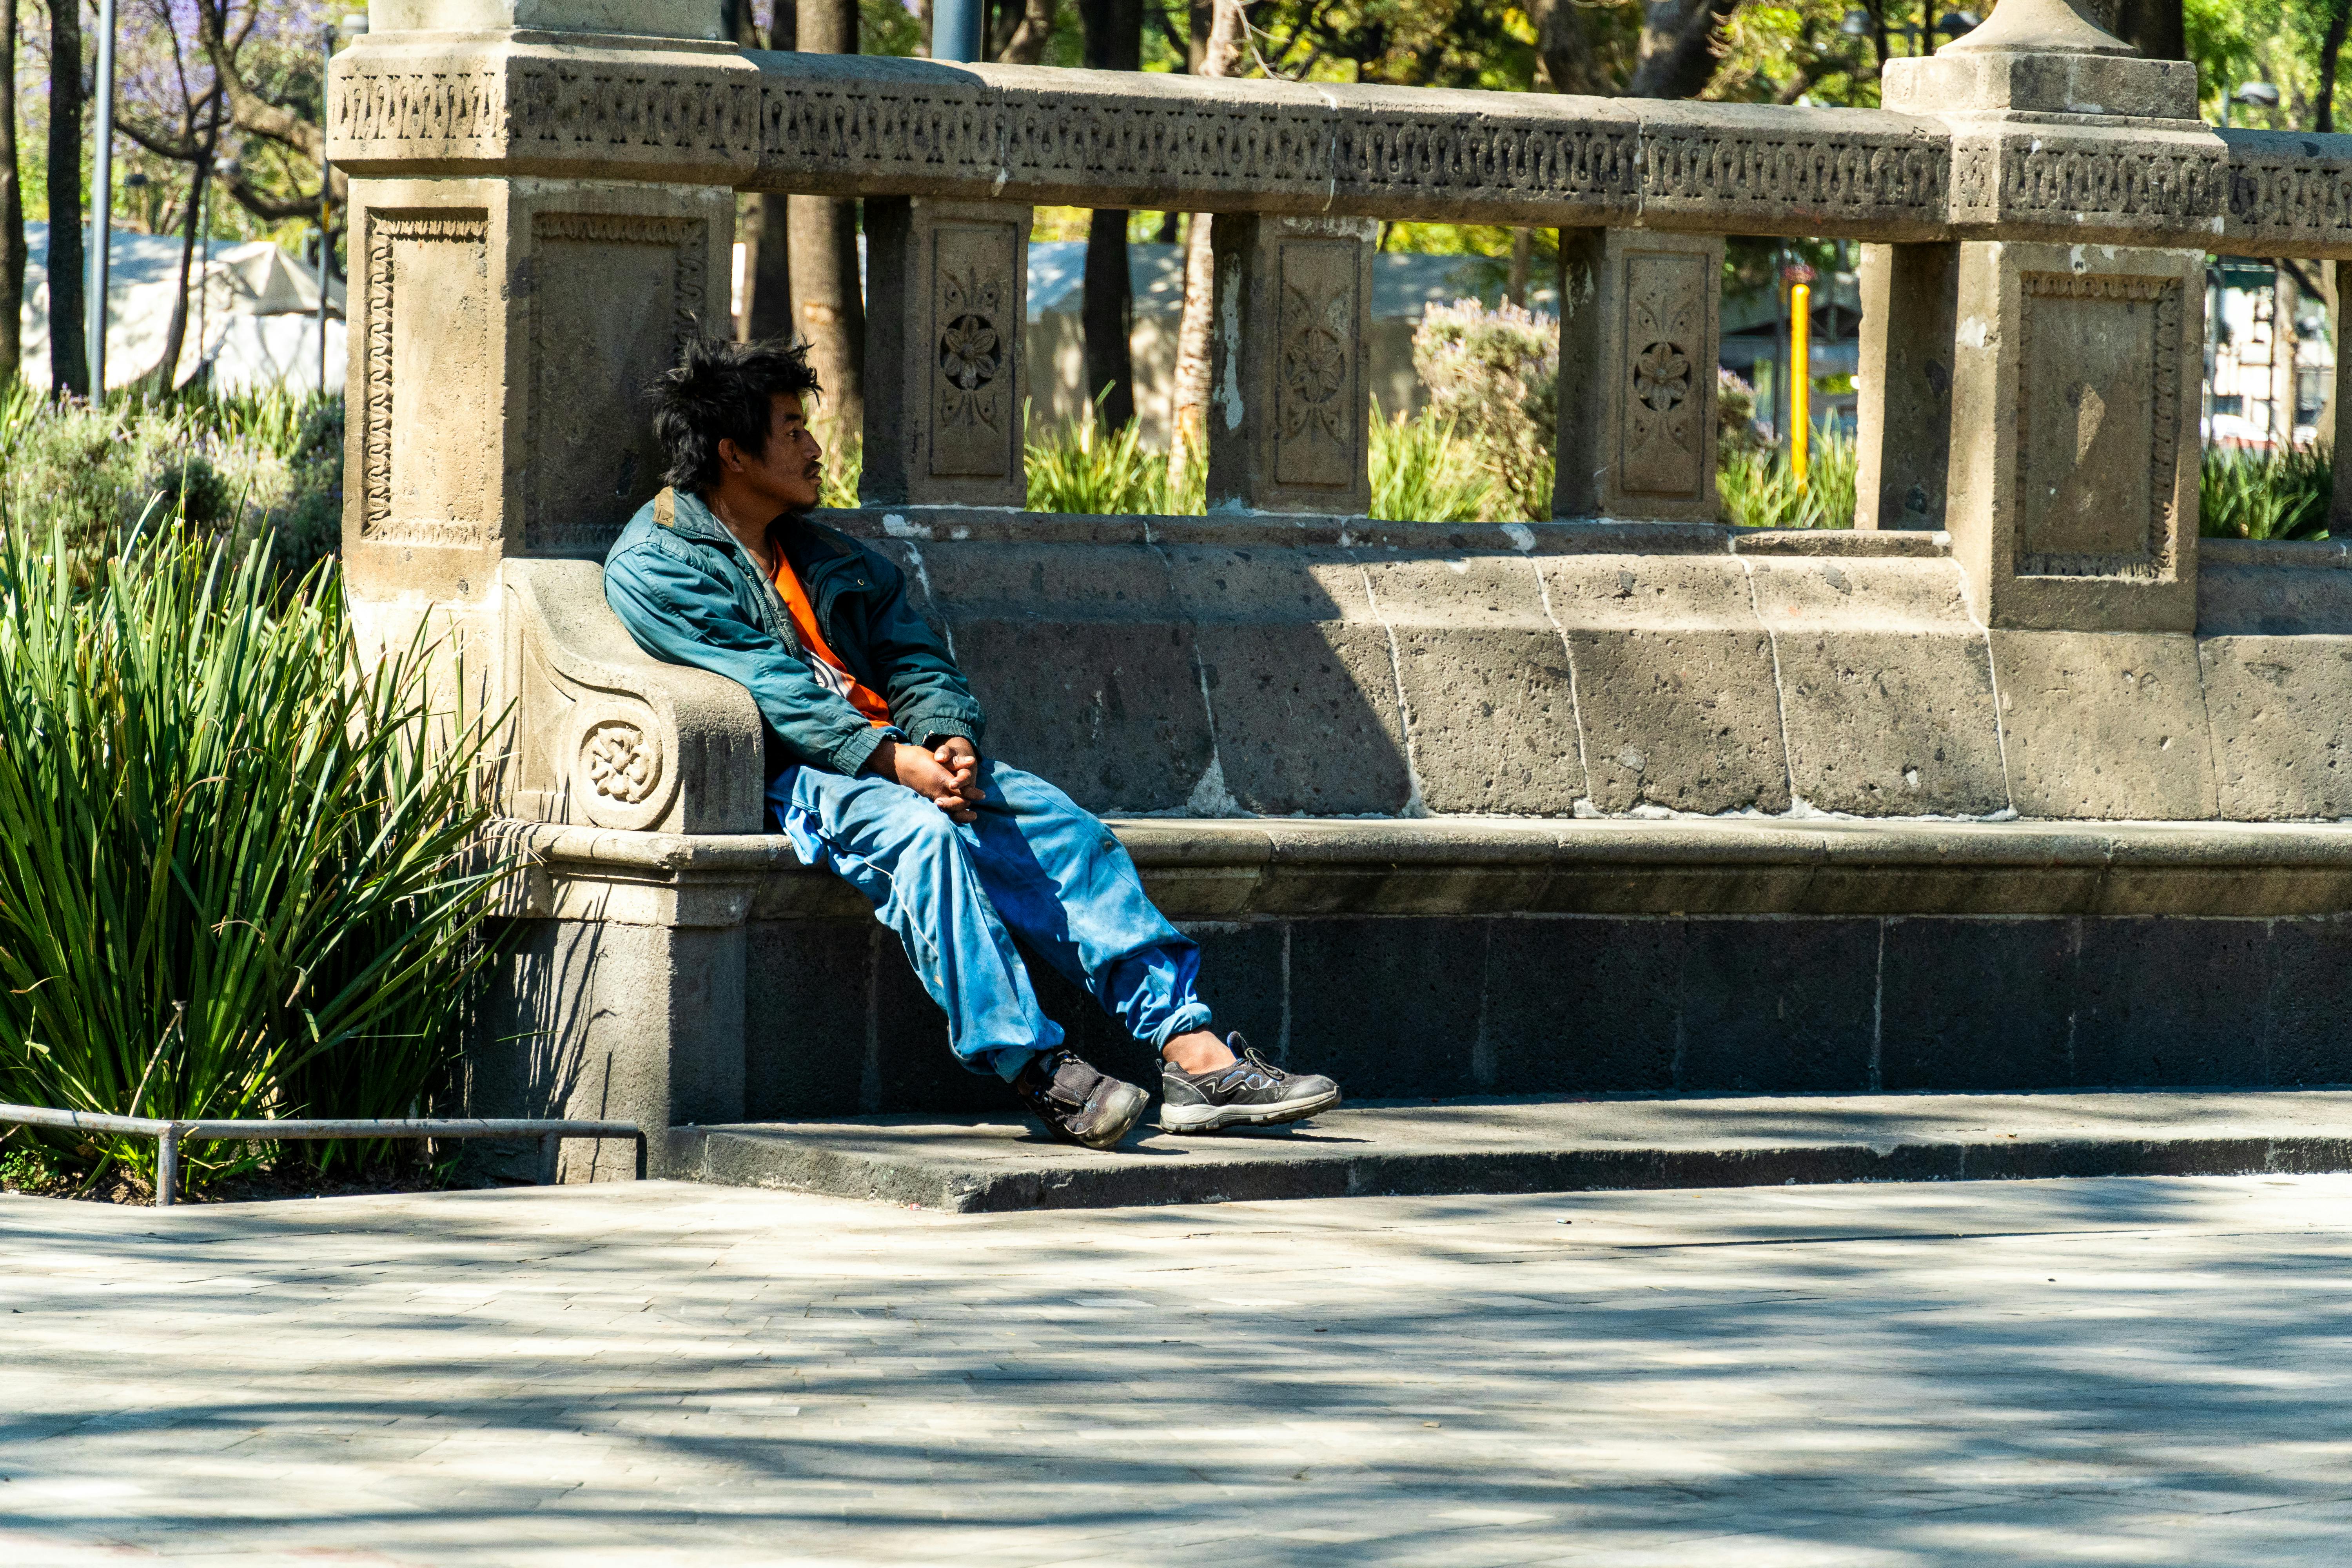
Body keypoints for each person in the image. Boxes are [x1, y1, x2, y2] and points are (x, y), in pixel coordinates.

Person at [603, 336, 1342, 1149]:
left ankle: (1195, 1058)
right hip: (802, 774)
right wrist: (891, 762)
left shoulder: (820, 549)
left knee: (1058, 825)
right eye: (793, 430)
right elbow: (770, 689)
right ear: (733, 453)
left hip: (901, 753)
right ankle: (1039, 1069)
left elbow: (915, 657)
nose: (816, 448)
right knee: (921, 838)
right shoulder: (658, 562)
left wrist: (944, 735)